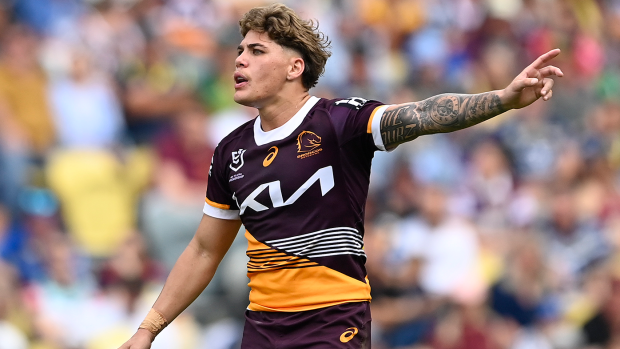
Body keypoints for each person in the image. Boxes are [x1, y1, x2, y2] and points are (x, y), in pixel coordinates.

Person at [119, 3, 563, 349]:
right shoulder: (230, 151)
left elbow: (425, 114)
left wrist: (503, 99)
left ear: (295, 68)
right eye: (239, 51)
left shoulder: (340, 122)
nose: (240, 60)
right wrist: (149, 328)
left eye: (256, 51)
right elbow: (201, 250)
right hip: (263, 327)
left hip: (333, 319)